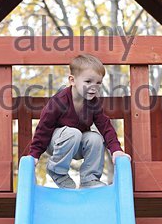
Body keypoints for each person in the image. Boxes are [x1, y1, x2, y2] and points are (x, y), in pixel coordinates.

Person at [28, 53, 131, 189]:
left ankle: (89, 178)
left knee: (95, 137)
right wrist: (34, 154)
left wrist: (116, 150)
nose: (94, 86)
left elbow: (105, 127)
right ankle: (57, 171)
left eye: (98, 82)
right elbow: (43, 128)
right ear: (72, 80)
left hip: (77, 145)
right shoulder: (59, 102)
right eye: (88, 82)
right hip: (56, 144)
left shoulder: (93, 103)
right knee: (73, 132)